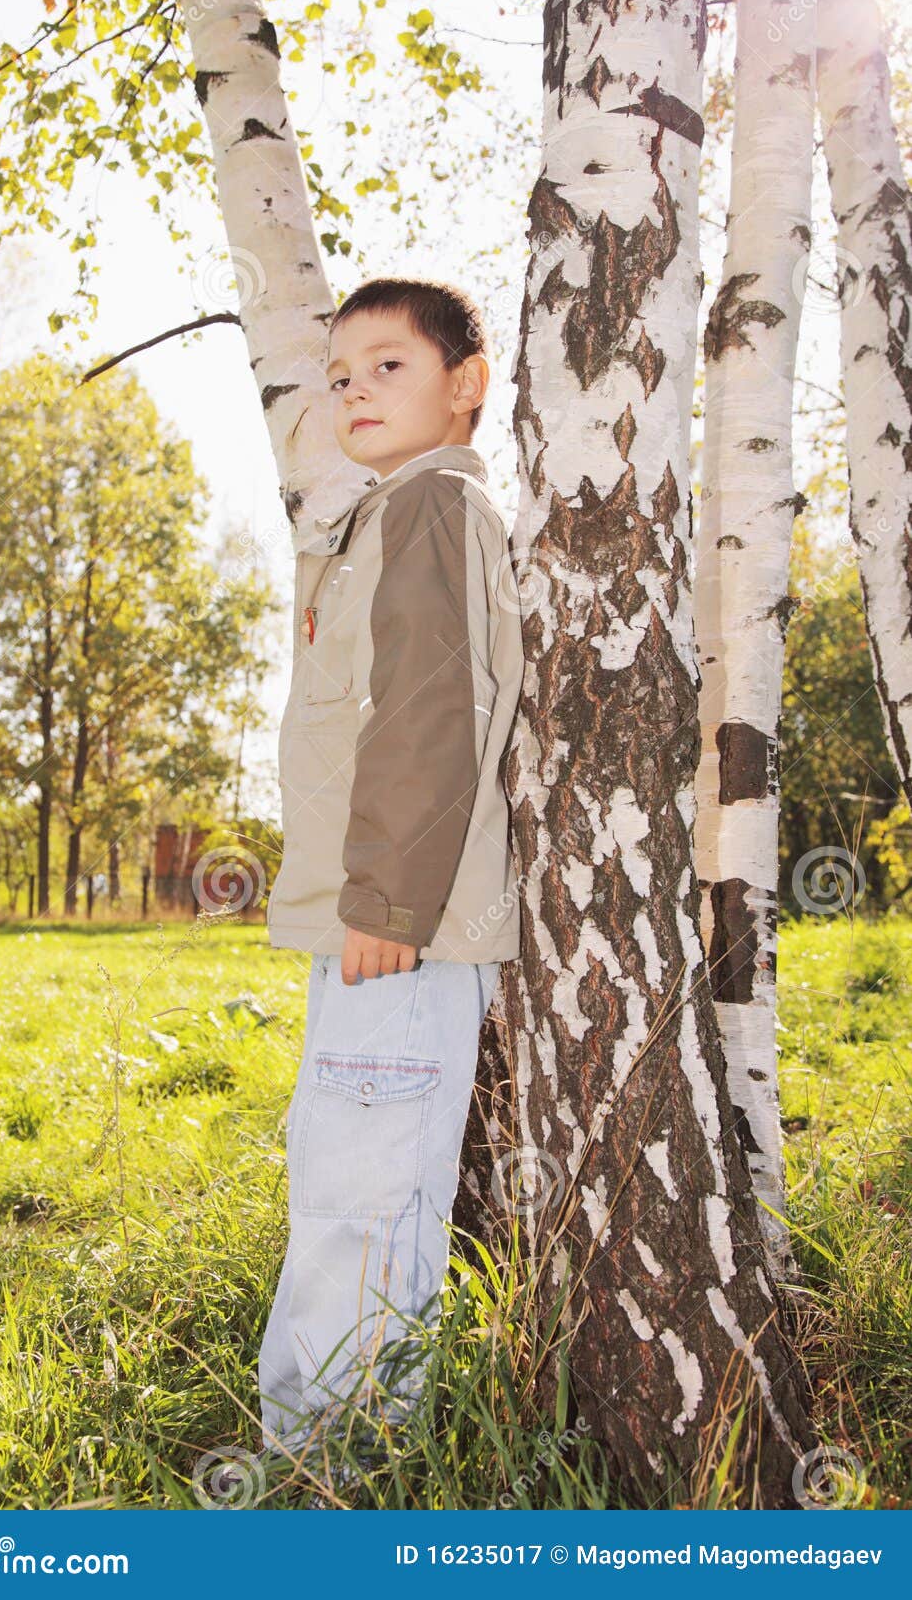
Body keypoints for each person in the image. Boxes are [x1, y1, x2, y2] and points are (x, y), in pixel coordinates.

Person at [258, 276, 525, 1468]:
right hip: (369, 924)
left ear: (464, 388)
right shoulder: (382, 516)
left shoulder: (429, 508)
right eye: (339, 375)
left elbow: (428, 710)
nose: (355, 389)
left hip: (395, 930)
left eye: (389, 367)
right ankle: (323, 1448)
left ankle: (336, 1469)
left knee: (362, 1207)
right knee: (338, 1185)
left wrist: (383, 902)